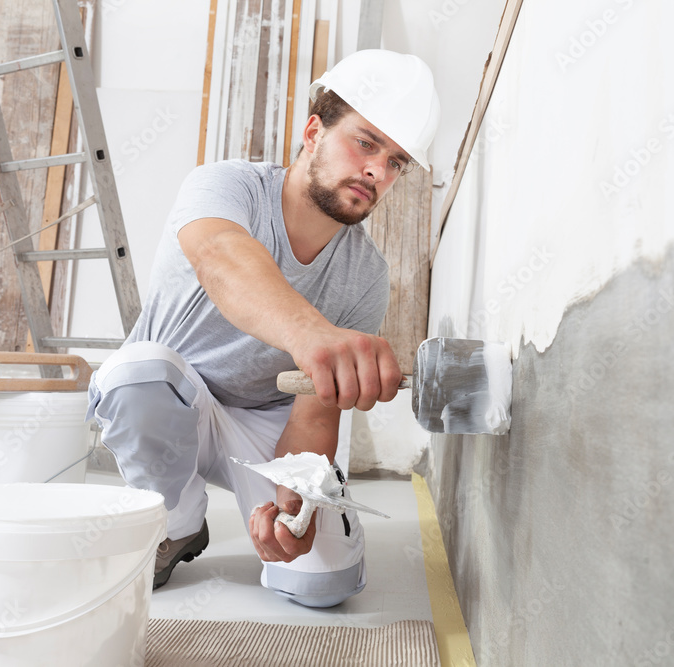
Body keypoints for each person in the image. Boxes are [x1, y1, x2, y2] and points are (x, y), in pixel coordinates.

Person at [86, 49, 440, 608]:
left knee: (324, 584)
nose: (377, 171)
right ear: (313, 132)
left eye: (396, 162)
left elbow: (314, 409)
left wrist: (292, 506)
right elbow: (223, 257)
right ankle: (176, 523)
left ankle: (294, 542)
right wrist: (312, 335)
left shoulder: (366, 276)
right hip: (174, 402)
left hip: (267, 430)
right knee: (136, 372)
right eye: (366, 142)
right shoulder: (226, 186)